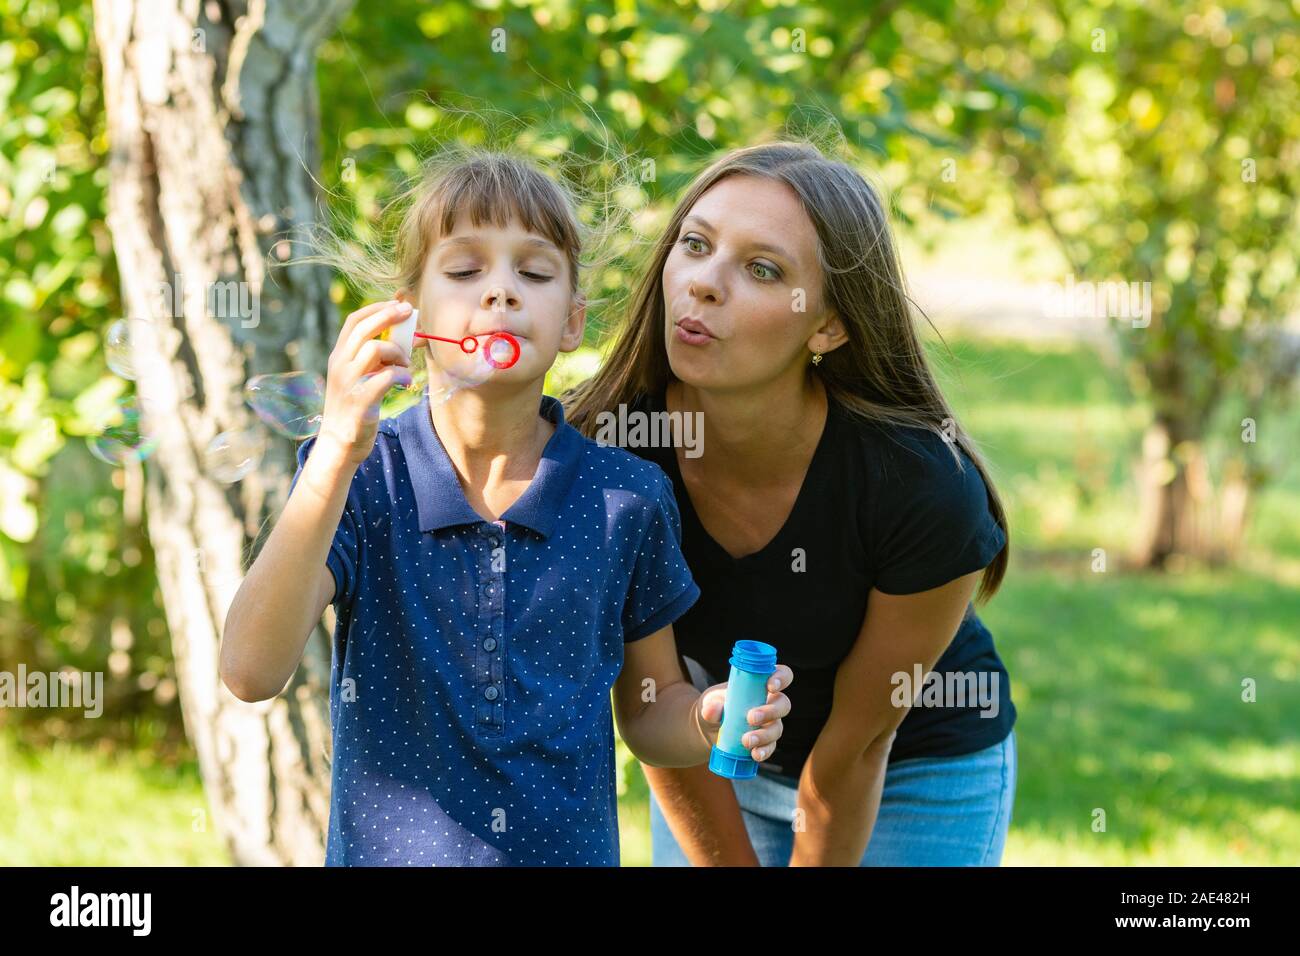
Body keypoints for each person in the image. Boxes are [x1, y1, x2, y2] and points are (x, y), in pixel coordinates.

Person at [219, 149, 793, 865]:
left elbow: (648, 712)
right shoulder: (363, 479)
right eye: (464, 271)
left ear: (573, 321)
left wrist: (706, 720)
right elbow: (249, 671)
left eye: (534, 272)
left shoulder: (626, 498)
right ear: (411, 315)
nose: (500, 292)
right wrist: (335, 447)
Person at [566, 141, 1016, 866]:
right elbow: (654, 706)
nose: (704, 284)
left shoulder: (923, 487)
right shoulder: (611, 455)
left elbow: (858, 746)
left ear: (828, 326)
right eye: (696, 244)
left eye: (762, 269)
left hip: (914, 767)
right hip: (710, 753)